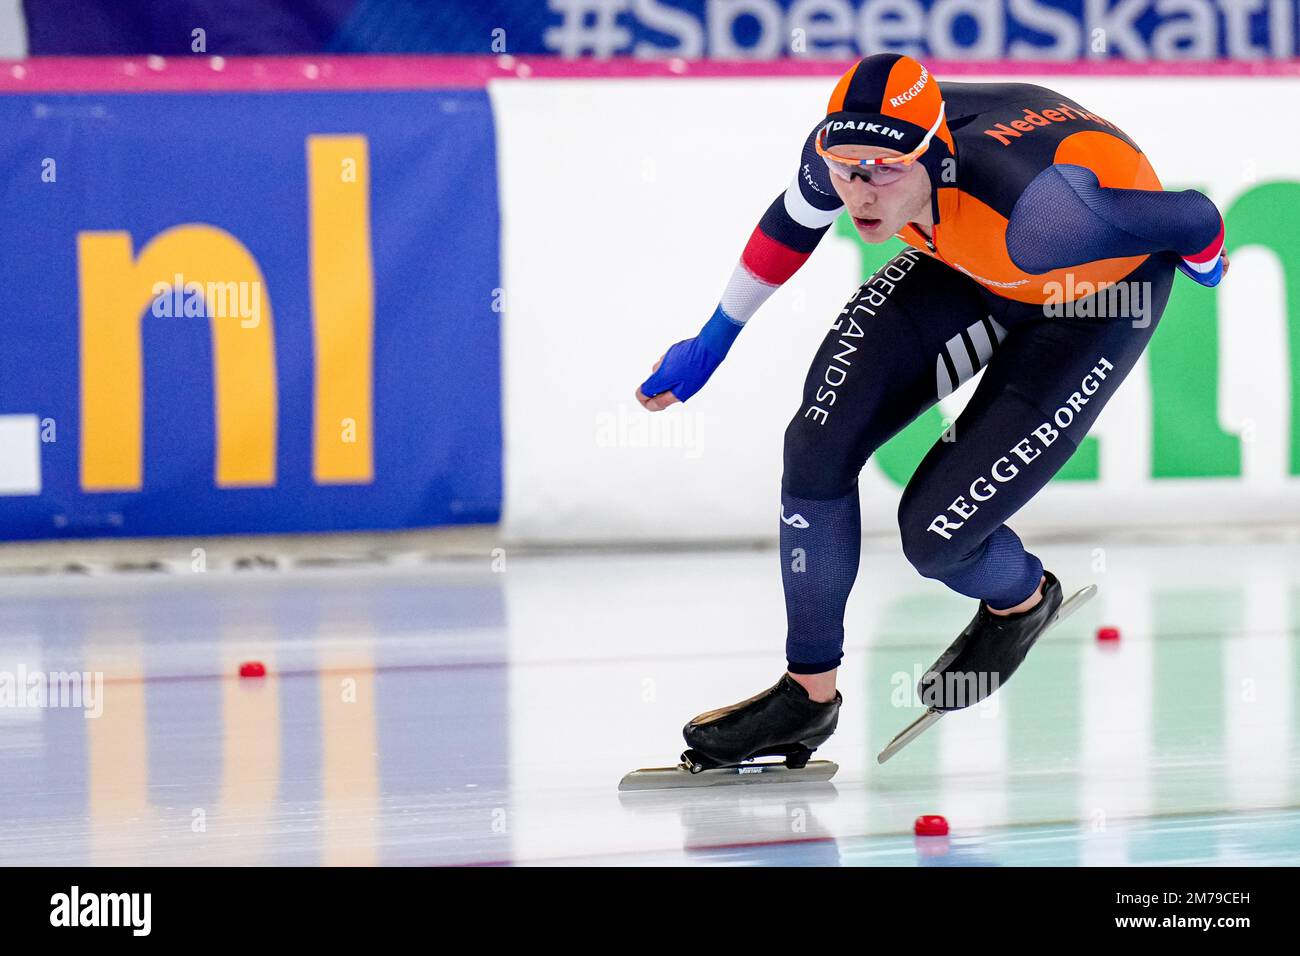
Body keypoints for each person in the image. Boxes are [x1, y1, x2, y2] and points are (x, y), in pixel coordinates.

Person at [634, 53, 1228, 773]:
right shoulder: (848, 159)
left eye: (884, 170)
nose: (861, 193)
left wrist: (1209, 266)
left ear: (936, 156)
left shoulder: (1049, 217)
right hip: (966, 267)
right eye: (848, 168)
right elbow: (791, 224)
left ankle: (1020, 601)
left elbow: (1195, 215)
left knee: (936, 537)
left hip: (1087, 305)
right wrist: (712, 339)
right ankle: (806, 695)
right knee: (816, 446)